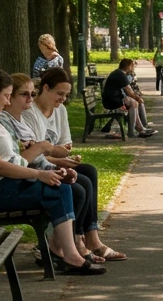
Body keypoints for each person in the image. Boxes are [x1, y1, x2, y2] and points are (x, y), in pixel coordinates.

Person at [0, 69, 104, 275]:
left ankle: (63, 251)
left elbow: (14, 158)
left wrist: (53, 170)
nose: (7, 102)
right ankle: (68, 254)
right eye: (7, 96)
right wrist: (39, 174)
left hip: (5, 185)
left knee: (61, 185)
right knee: (60, 190)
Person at [22, 68, 128, 261]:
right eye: (59, 94)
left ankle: (92, 237)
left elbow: (64, 145)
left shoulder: (60, 110)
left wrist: (61, 155)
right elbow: (38, 153)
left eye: (66, 95)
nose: (63, 99)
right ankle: (77, 240)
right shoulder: (31, 114)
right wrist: (58, 157)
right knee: (82, 183)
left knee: (89, 171)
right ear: (46, 88)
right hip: (39, 166)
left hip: (49, 161)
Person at [101, 59, 157, 138]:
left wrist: (136, 99)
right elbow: (130, 92)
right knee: (134, 102)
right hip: (111, 101)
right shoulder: (121, 75)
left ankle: (139, 128)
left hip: (112, 99)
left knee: (134, 102)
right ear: (128, 66)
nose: (133, 68)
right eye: (132, 66)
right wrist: (138, 99)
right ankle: (133, 131)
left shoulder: (118, 73)